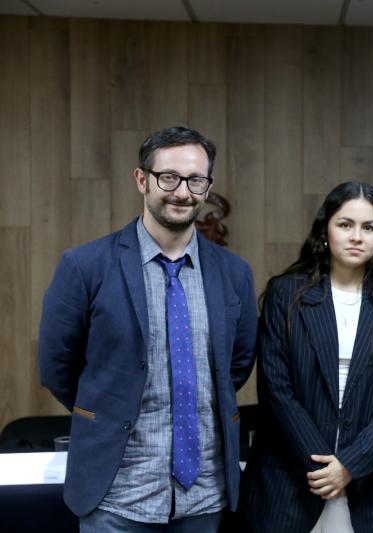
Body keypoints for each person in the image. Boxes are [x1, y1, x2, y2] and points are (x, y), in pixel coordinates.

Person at [38, 126, 258, 531]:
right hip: (117, 494)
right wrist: (105, 409)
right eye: (168, 177)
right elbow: (57, 366)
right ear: (142, 179)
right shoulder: (86, 266)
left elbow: (236, 365)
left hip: (204, 495)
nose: (182, 191)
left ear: (207, 187)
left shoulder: (234, 274)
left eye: (196, 180)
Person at [241, 181, 373, 532]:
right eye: (345, 224)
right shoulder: (286, 294)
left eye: (369, 228)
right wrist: (324, 467)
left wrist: (349, 465)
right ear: (325, 231)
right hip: (288, 481)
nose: (356, 236)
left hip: (363, 486)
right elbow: (277, 389)